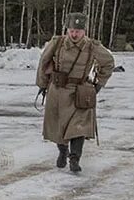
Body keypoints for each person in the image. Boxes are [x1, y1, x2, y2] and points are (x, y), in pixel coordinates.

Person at [37, 12, 115, 172]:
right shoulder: (57, 42)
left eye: (77, 31)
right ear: (67, 30)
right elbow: (44, 61)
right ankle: (63, 151)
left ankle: (74, 158)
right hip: (57, 91)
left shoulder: (92, 46)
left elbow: (108, 63)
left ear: (84, 31)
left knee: (78, 127)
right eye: (71, 30)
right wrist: (43, 84)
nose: (74, 34)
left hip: (79, 92)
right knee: (59, 127)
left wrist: (98, 84)